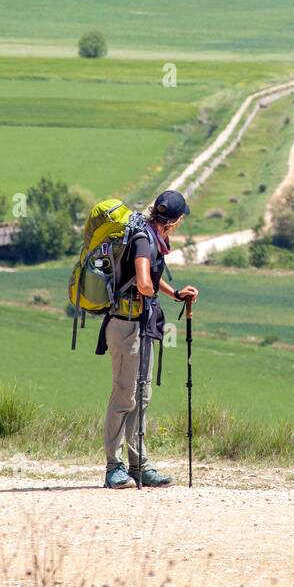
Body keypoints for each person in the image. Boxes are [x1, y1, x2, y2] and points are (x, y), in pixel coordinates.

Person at [97, 189, 199, 489]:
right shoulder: (144, 239)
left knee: (141, 396)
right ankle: (113, 468)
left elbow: (150, 278)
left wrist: (175, 294)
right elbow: (143, 281)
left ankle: (138, 465)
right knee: (124, 396)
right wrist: (150, 294)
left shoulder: (149, 236)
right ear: (175, 220)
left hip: (137, 325)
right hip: (126, 327)